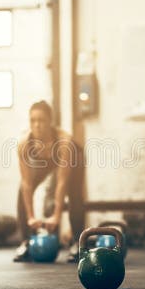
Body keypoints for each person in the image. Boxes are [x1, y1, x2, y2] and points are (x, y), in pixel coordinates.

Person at [15, 100, 85, 263]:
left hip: (73, 158)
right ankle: (25, 242)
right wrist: (31, 217)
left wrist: (56, 216)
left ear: (50, 122)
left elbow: (61, 183)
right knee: (22, 190)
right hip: (45, 160)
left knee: (74, 193)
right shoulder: (24, 143)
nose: (37, 125)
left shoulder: (64, 141)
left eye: (41, 120)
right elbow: (26, 184)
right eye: (33, 120)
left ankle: (78, 243)